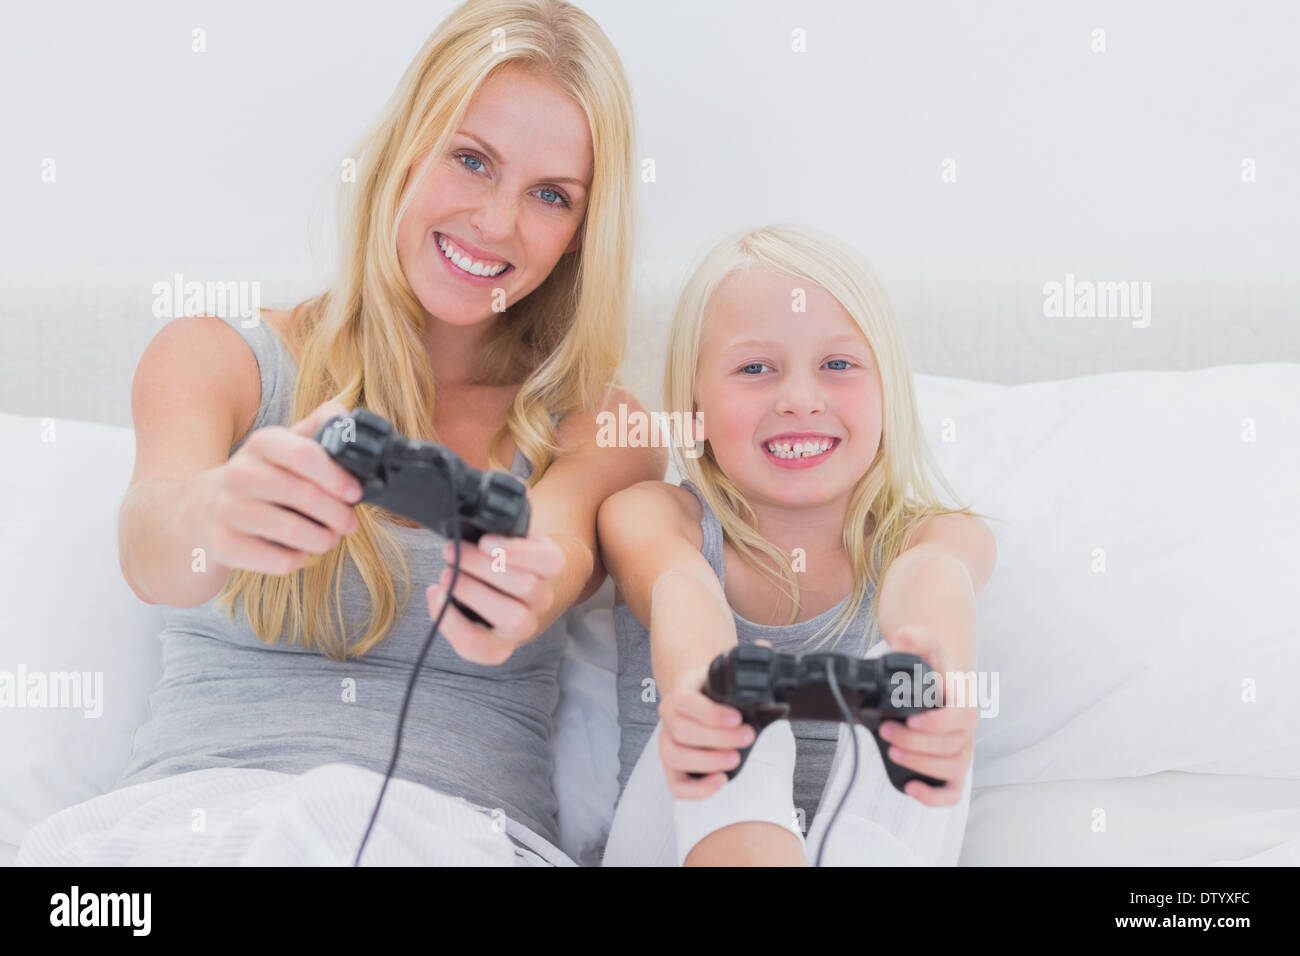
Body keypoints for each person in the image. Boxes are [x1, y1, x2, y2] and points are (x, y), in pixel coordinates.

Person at [19, 0, 663, 868]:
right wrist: (217, 512)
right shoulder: (216, 361)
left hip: (459, 845)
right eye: (471, 160)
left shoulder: (597, 423)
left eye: (551, 195)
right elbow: (151, 547)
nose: (498, 222)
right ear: (403, 149)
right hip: (188, 834)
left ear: (583, 234)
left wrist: (516, 585)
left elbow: (557, 547)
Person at [598, 223, 998, 866]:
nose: (800, 400)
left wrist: (934, 672)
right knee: (733, 693)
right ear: (693, 405)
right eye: (755, 368)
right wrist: (706, 684)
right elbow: (679, 591)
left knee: (912, 689)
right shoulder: (654, 516)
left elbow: (934, 582)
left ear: (887, 391)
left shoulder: (933, 534)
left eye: (838, 365)